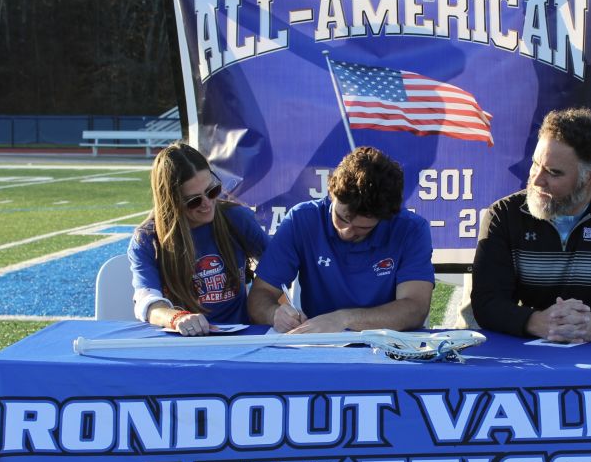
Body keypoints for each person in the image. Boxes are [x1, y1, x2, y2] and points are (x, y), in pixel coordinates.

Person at [470, 107, 591, 342]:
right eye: (536, 164)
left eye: (554, 172)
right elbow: (487, 301)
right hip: (529, 356)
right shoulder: (503, 215)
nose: (536, 180)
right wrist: (537, 322)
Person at [248, 146, 435, 333]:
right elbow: (260, 294)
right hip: (320, 345)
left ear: (386, 217)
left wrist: (344, 320)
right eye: (341, 217)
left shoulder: (411, 229)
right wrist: (274, 314)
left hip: (388, 346)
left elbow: (415, 309)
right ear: (332, 194)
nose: (346, 232)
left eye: (363, 228)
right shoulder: (301, 220)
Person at [128, 143, 268, 335]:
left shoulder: (236, 218)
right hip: (183, 340)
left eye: (212, 191)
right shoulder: (147, 239)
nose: (207, 204)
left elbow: (278, 265)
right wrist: (176, 318)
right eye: (194, 201)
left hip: (241, 335)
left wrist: (269, 305)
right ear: (171, 202)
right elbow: (148, 302)